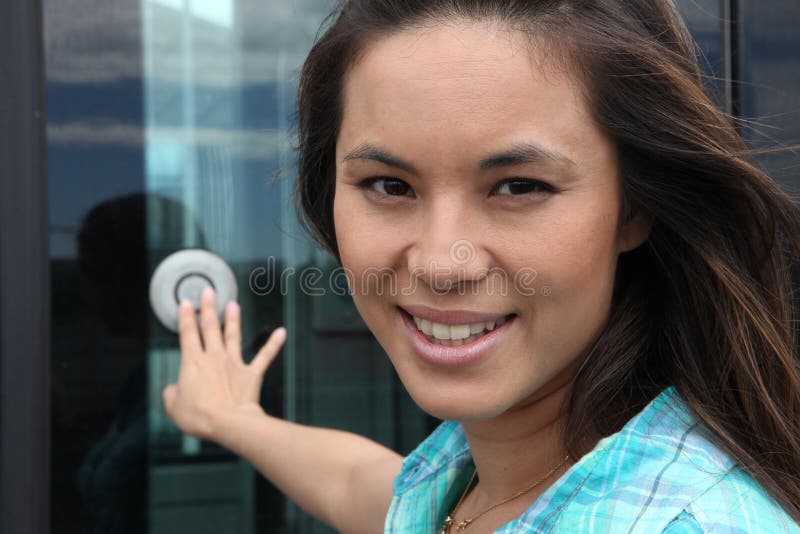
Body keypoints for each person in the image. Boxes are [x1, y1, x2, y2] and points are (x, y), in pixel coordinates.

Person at [161, 1, 800, 532]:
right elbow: (366, 485)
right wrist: (234, 420)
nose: (443, 263)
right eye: (388, 185)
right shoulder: (475, 476)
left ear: (633, 209)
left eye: (519, 187)